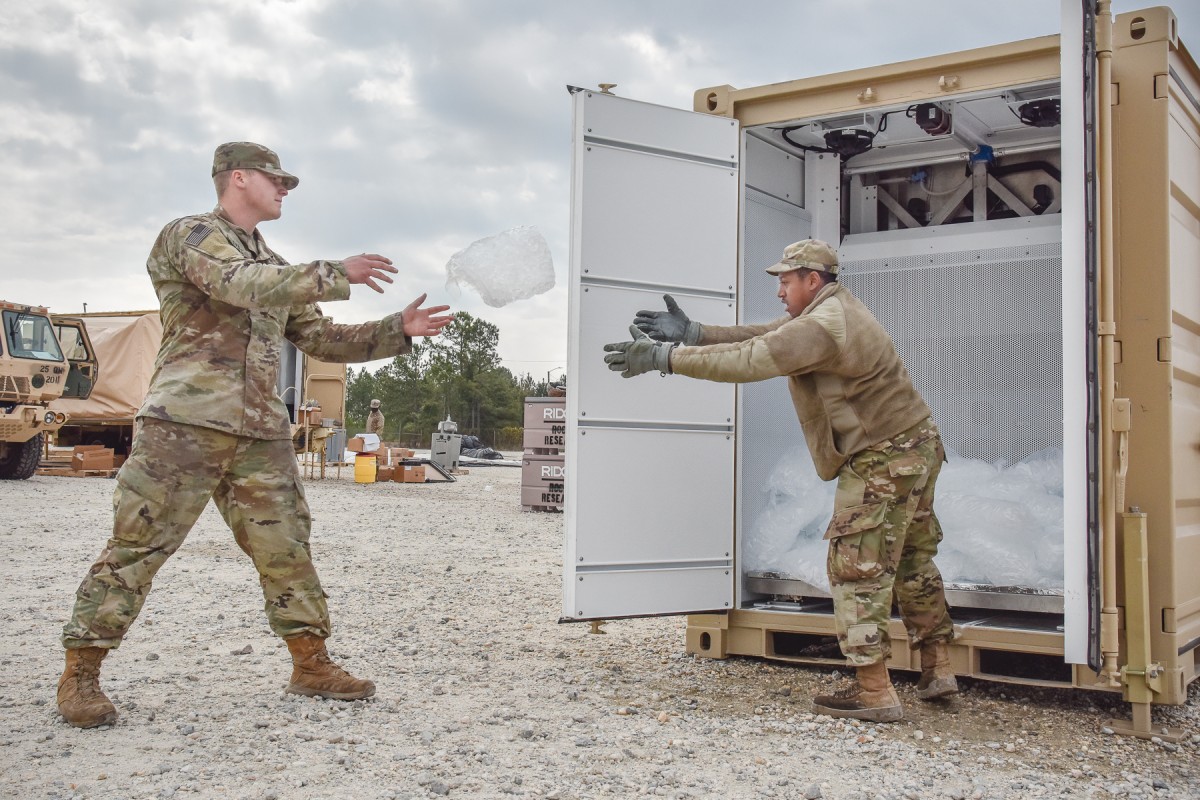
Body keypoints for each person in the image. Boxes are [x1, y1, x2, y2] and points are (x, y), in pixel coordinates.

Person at [57, 142, 453, 729]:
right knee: (139, 546)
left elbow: (322, 339)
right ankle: (81, 673)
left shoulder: (275, 266)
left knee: (287, 549)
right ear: (236, 178)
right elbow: (236, 283)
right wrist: (333, 272)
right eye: (277, 178)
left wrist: (398, 329)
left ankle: (311, 664)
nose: (286, 188)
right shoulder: (189, 236)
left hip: (260, 430)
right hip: (184, 426)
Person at [603, 239, 956, 723]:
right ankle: (939, 667)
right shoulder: (831, 309)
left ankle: (874, 691)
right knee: (914, 557)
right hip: (916, 444)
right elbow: (765, 333)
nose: (779, 291)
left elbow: (751, 360)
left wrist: (666, 356)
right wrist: (696, 332)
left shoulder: (825, 326)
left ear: (813, 279)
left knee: (856, 566)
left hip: (883, 457)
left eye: (785, 281)